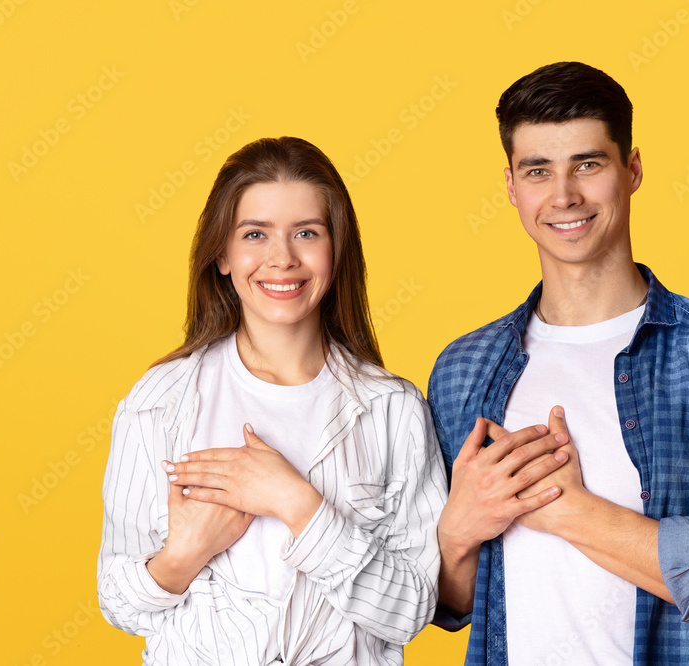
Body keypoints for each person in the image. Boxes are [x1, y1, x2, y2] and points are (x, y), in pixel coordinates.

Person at [429, 62, 689, 665]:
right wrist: (458, 532)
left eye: (588, 165)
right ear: (511, 186)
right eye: (538, 171)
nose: (564, 196)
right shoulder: (465, 369)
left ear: (632, 169)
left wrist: (573, 512)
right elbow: (450, 606)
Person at [97, 136, 447, 665]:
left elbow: (412, 608)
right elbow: (118, 602)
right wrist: (183, 556)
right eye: (255, 234)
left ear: (336, 251)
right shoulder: (160, 400)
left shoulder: (393, 409)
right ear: (222, 254)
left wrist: (297, 503)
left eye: (306, 233)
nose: (281, 258)